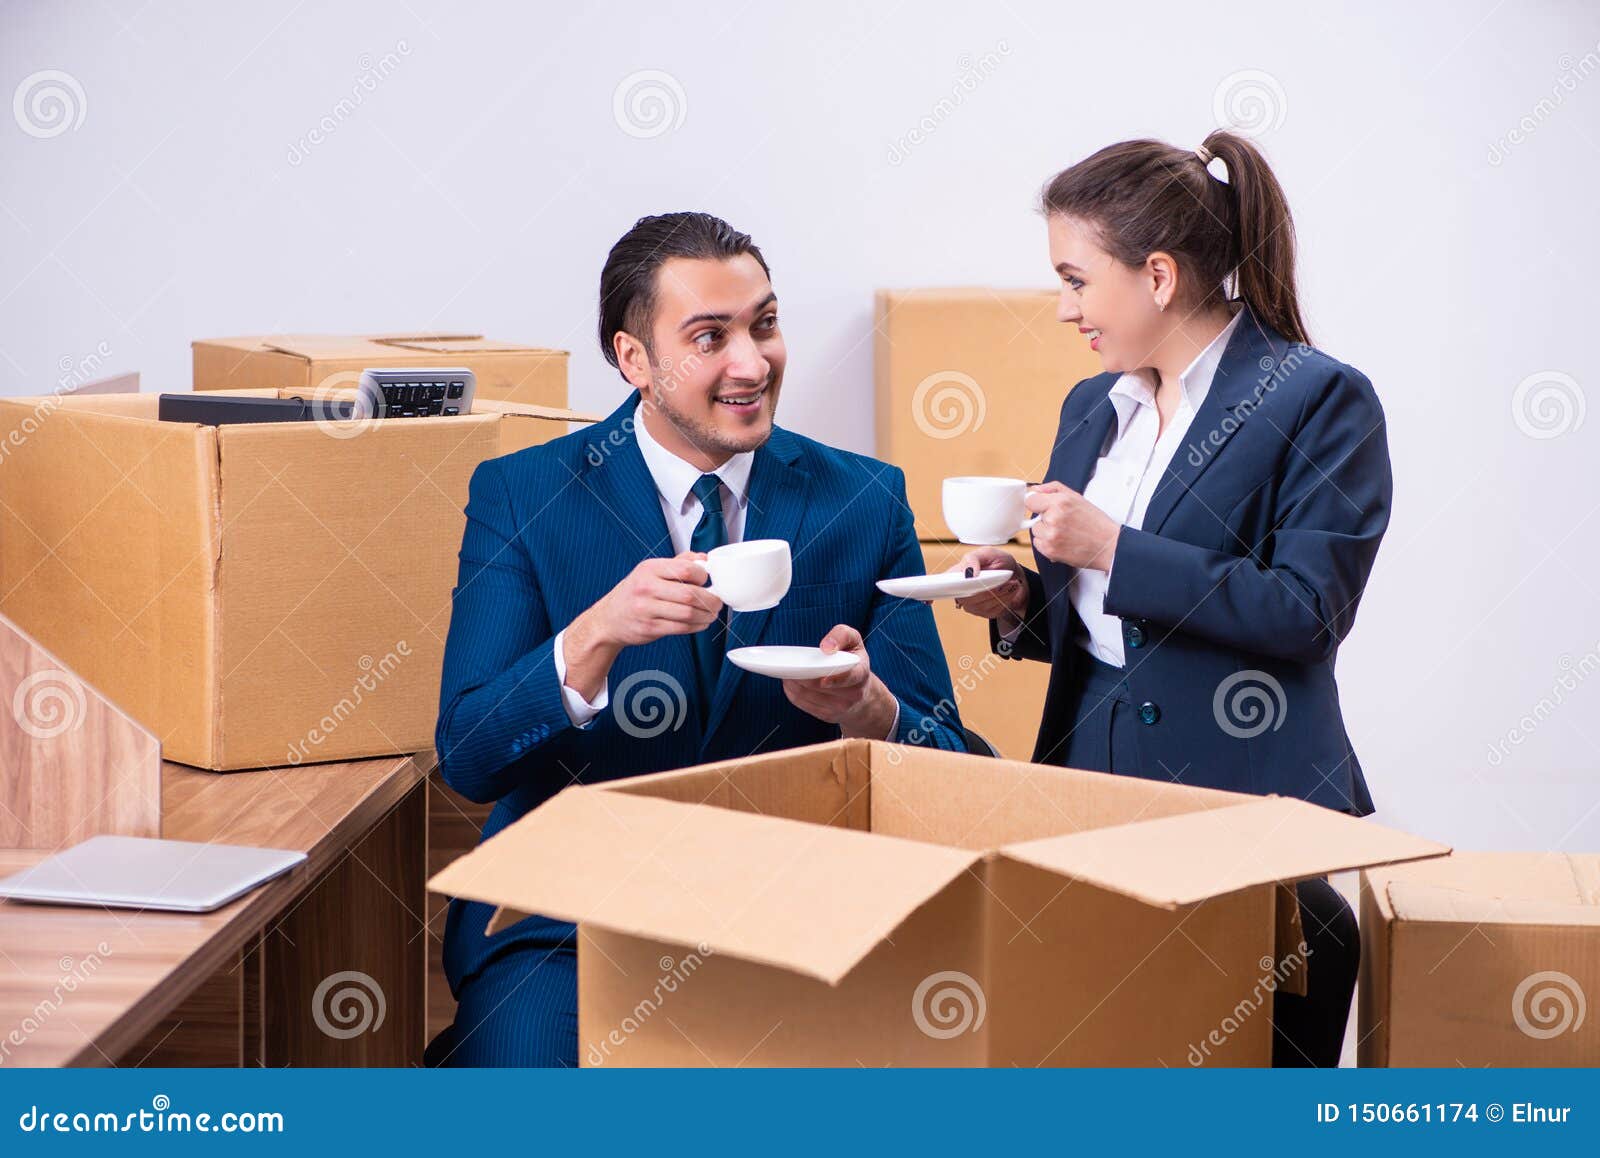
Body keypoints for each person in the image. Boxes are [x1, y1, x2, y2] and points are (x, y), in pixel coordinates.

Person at [429, 211, 964, 1067]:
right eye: (710, 337)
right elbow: (469, 757)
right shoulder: (523, 494)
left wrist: (869, 708)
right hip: (570, 920)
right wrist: (594, 636)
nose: (752, 363)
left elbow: (956, 765)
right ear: (634, 359)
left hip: (797, 916)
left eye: (765, 324)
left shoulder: (865, 500)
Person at [954, 130, 1392, 1067]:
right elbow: (1112, 623)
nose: (1064, 309)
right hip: (1087, 778)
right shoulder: (1092, 406)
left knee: (1242, 1046)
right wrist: (1020, 604)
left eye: (1076, 281)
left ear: (1157, 276)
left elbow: (1307, 612)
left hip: (1236, 783)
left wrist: (1114, 547)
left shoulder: (1317, 400)